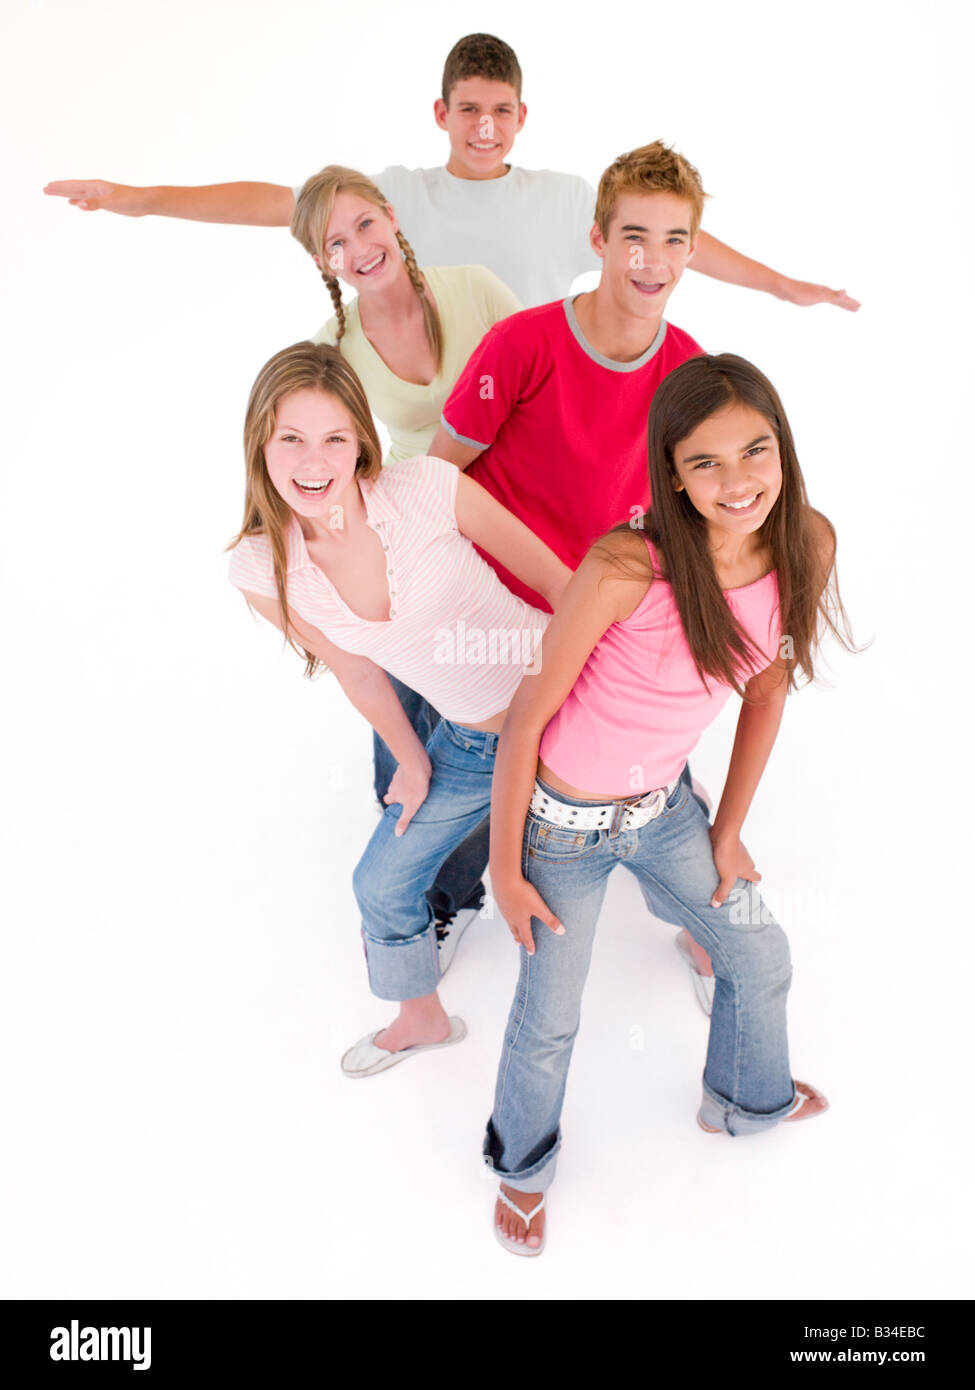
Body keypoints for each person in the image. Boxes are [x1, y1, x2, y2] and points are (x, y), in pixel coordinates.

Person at [483, 353, 853, 1255]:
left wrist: (725, 834)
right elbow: (526, 719)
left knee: (759, 949)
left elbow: (764, 694)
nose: (737, 483)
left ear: (782, 448)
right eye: (705, 463)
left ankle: (740, 1102)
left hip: (665, 812)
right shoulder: (624, 567)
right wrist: (504, 868)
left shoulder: (806, 540)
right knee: (550, 1016)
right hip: (560, 830)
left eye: (754, 452)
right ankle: (520, 1164)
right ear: (672, 473)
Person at [227, 341, 570, 1071]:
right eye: (291, 438)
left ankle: (705, 942)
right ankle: (421, 1017)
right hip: (476, 745)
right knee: (379, 884)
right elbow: (354, 668)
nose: (311, 462)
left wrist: (626, 704)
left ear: (360, 444)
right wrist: (411, 760)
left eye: (332, 438)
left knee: (665, 842)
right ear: (261, 442)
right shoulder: (261, 566)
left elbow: (562, 584)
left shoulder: (424, 488)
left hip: (571, 708)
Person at [43, 33, 860, 313]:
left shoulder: (566, 199)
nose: (484, 126)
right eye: (468, 109)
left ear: (521, 117)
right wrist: (140, 201)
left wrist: (783, 286)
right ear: (442, 113)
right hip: (432, 421)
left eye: (500, 110)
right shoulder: (398, 195)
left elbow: (674, 244)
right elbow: (283, 202)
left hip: (534, 417)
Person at [290, 164, 523, 956]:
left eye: (363, 224)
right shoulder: (332, 352)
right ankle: (444, 894)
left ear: (390, 216)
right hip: (416, 535)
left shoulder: (476, 288)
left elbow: (539, 382)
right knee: (405, 732)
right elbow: (332, 465)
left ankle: (611, 805)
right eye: (334, 243)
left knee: (515, 694)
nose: (357, 248)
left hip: (505, 521)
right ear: (324, 264)